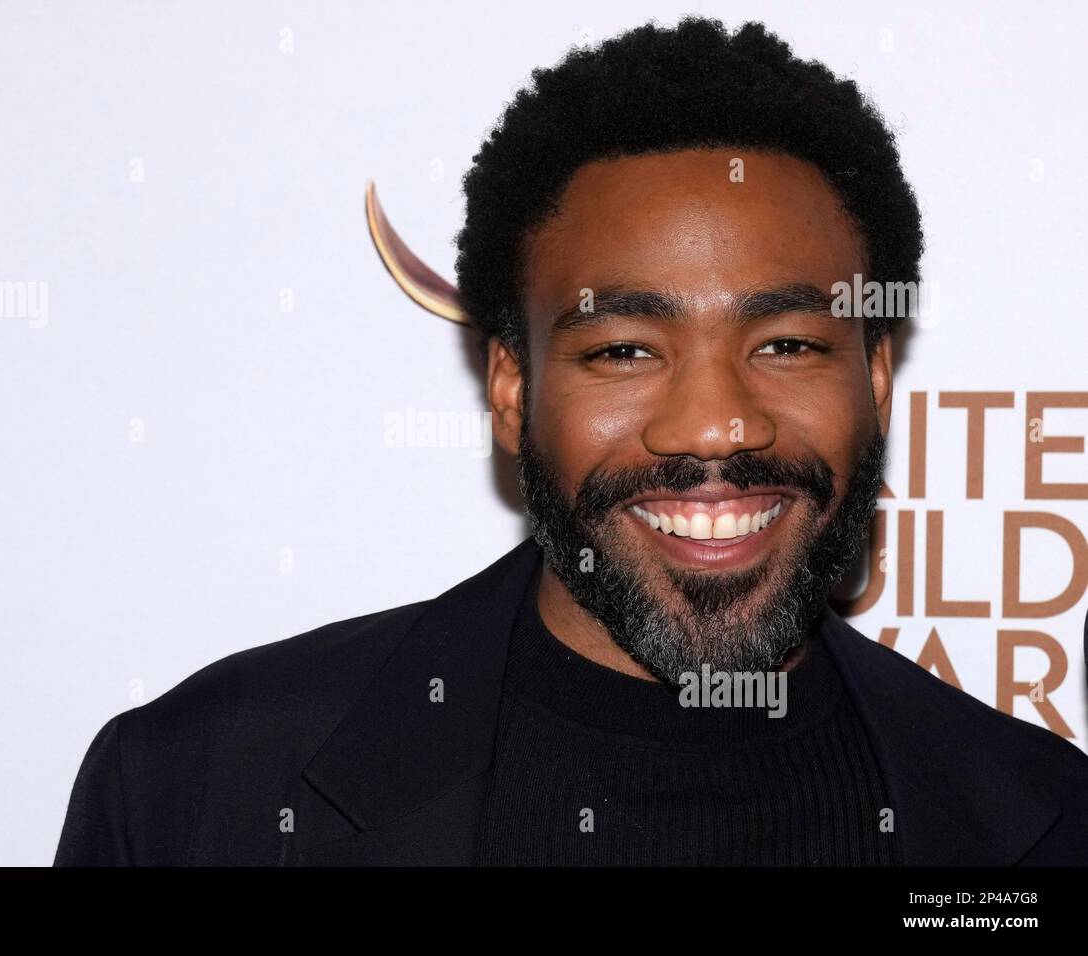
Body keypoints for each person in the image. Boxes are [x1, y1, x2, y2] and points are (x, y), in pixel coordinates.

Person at [55, 16, 1088, 866]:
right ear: (512, 387)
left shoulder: (1040, 822)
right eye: (626, 349)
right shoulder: (197, 793)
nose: (715, 425)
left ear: (872, 378)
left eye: (783, 341)